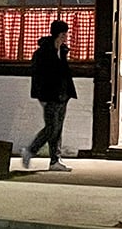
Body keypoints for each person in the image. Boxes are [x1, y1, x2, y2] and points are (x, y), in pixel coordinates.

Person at [21, 19, 77, 171]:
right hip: (50, 95)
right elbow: (38, 76)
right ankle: (31, 150)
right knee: (52, 127)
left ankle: (55, 160)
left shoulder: (62, 51)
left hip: (62, 95)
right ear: (59, 34)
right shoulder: (43, 53)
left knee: (57, 128)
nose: (66, 37)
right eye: (64, 34)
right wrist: (41, 97)